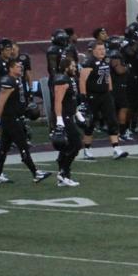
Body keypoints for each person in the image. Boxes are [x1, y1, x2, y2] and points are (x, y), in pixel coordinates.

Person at [0, 58, 50, 184]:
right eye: (18, 67)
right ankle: (35, 173)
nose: (21, 68)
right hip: (11, 119)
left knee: (4, 147)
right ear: (11, 68)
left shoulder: (16, 80)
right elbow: (1, 102)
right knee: (23, 145)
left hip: (13, 117)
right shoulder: (8, 81)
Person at [78, 41, 128, 160]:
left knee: (112, 120)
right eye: (99, 49)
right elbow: (82, 80)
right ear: (93, 50)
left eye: (103, 49)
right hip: (92, 96)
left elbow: (107, 75)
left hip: (105, 95)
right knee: (90, 122)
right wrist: (83, 96)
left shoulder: (106, 60)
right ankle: (87, 150)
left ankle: (116, 149)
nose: (102, 51)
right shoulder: (88, 62)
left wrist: (110, 90)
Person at [51, 54, 84, 187]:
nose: (75, 68)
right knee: (76, 144)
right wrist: (59, 119)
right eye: (73, 66)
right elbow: (58, 101)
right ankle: (64, 172)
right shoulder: (62, 79)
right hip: (64, 117)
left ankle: (63, 175)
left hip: (69, 115)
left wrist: (77, 113)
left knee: (67, 146)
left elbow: (72, 100)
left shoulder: (71, 79)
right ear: (66, 67)